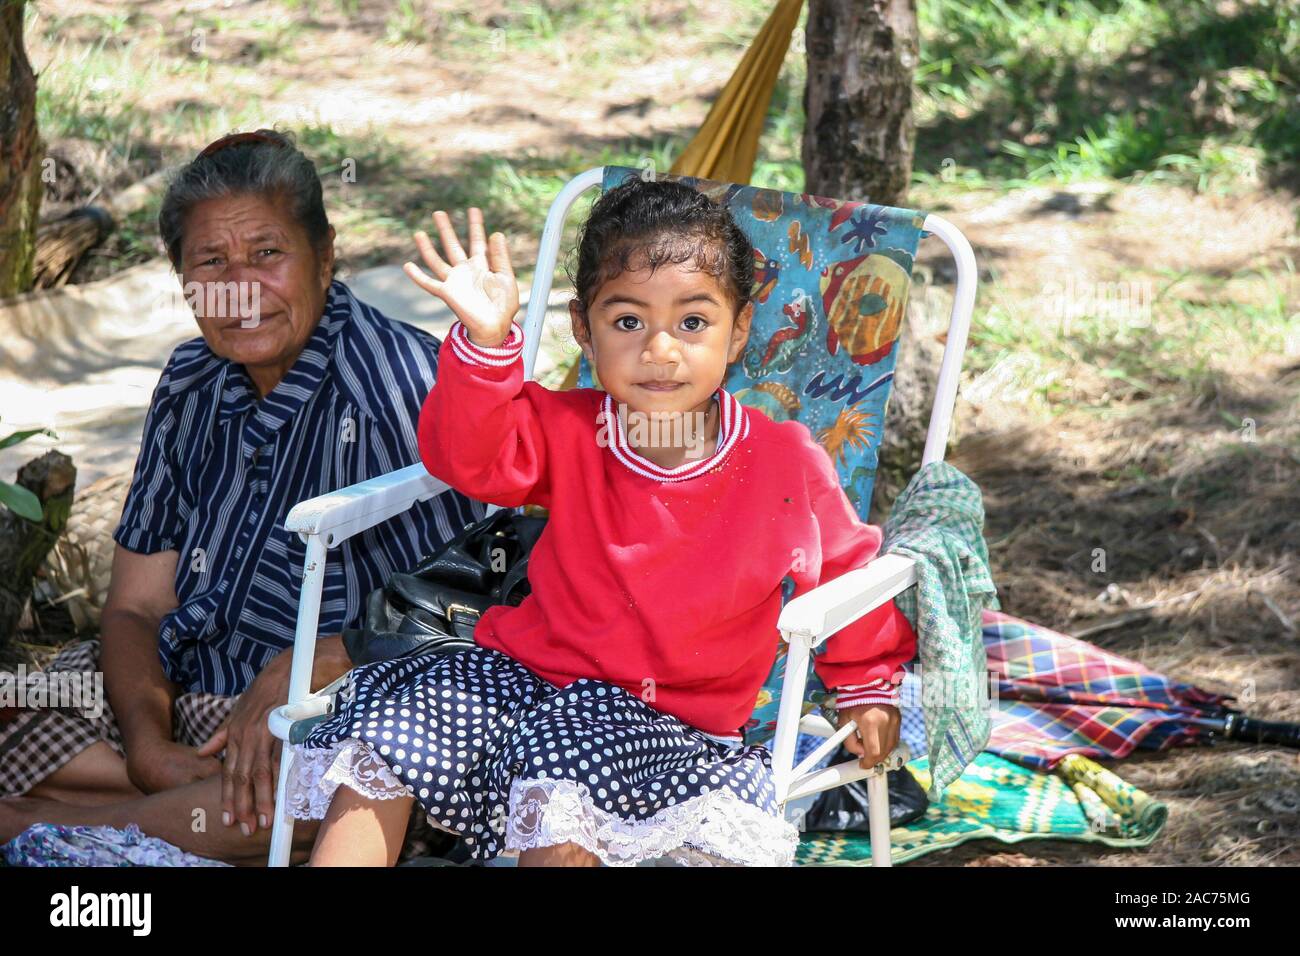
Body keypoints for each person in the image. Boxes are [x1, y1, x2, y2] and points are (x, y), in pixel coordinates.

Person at [284, 177, 917, 867]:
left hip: (668, 726)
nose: (660, 349)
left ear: (739, 332)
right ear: (584, 332)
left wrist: (865, 690)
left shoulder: (781, 461)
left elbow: (848, 572)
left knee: (565, 776)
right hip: (523, 677)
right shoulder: (570, 429)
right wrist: (485, 342)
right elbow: (468, 457)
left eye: (692, 322)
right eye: (627, 322)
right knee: (391, 730)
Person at [0, 129, 483, 864]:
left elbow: (467, 613)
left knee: (339, 783)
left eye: (267, 254)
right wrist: (148, 745)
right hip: (185, 700)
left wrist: (317, 661)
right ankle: (158, 809)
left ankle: (43, 823)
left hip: (322, 717)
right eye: (211, 262)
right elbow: (134, 606)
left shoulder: (401, 387)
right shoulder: (191, 379)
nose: (241, 290)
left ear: (325, 257)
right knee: (22, 701)